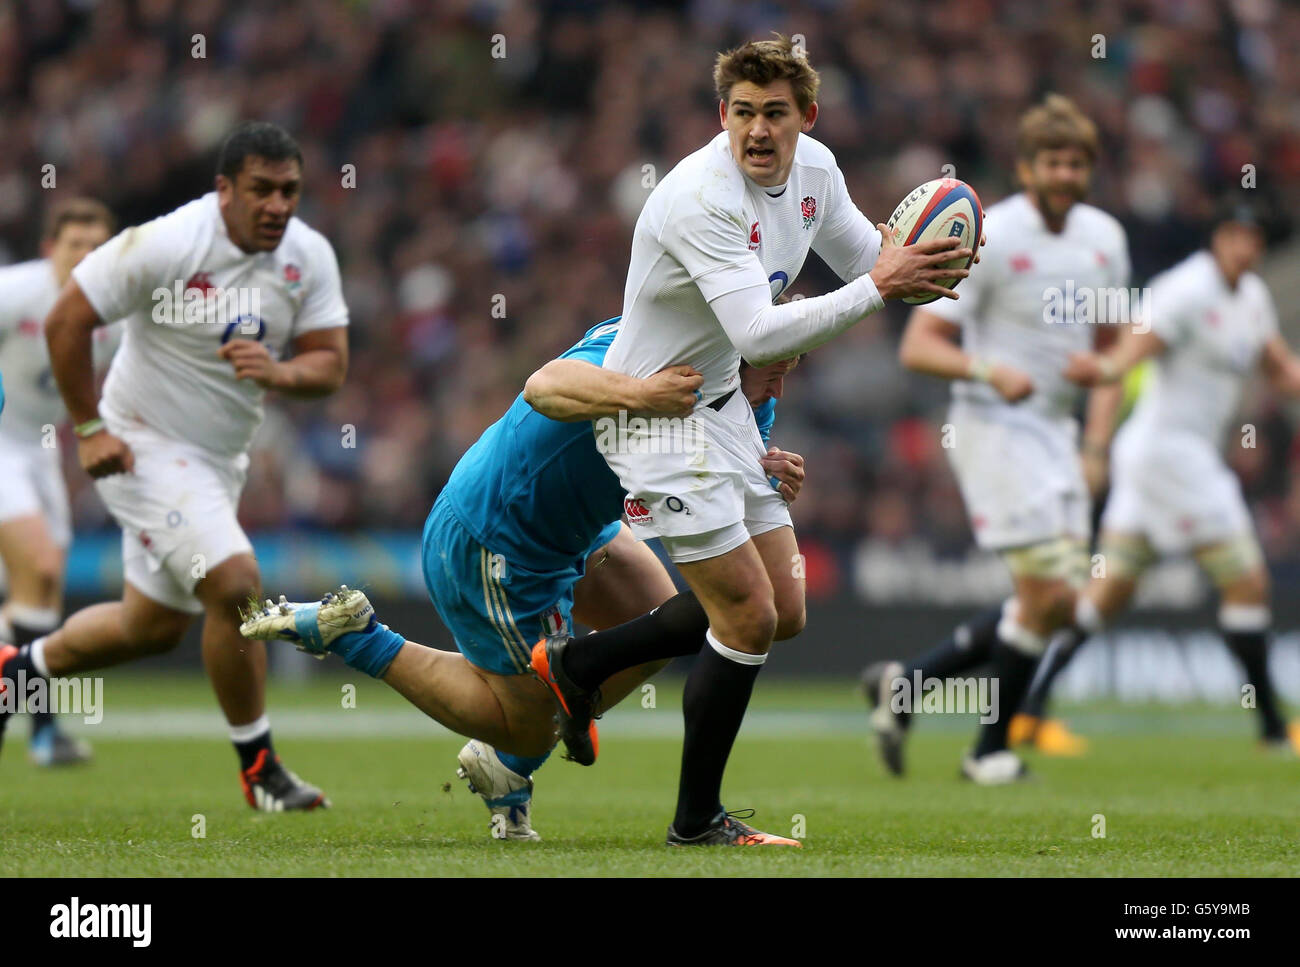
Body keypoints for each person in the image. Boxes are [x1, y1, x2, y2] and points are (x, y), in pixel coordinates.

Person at [558, 35, 970, 844]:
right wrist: (881, 285)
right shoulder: (702, 197)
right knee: (743, 616)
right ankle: (696, 820)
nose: (756, 129)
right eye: (741, 112)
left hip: (722, 411)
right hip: (655, 416)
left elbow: (869, 259)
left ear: (805, 117)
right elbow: (756, 331)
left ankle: (580, 666)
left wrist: (936, 263)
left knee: (783, 608)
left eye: (774, 114)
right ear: (722, 115)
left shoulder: (815, 170)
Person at [240, 318, 805, 840]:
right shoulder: (652, 345)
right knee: (531, 728)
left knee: (657, 622)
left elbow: (691, 482)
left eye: (788, 371)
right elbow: (546, 383)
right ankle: (361, 638)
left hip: (583, 531)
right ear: (735, 342)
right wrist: (640, 394)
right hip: (499, 537)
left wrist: (758, 477)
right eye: (771, 370)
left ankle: (560, 702)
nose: (775, 391)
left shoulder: (750, 402)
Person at [0, 122, 348, 812]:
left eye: (289, 190)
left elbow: (330, 363)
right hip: (141, 443)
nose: (277, 205)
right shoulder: (166, 243)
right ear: (224, 191)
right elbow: (69, 319)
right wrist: (91, 428)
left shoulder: (308, 256)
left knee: (149, 627)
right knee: (237, 580)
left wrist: (280, 371)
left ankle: (16, 672)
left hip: (220, 460)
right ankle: (261, 771)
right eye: (261, 190)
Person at [866, 94, 1130, 783]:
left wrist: (1098, 442)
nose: (1066, 174)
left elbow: (1111, 350)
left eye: (1077, 163)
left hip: (1060, 433)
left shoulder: (1105, 238)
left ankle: (910, 684)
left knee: (1061, 604)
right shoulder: (994, 235)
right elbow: (919, 345)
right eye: (1053, 161)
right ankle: (989, 753)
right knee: (1046, 595)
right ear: (1025, 166)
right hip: (992, 424)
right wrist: (990, 368)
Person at [1015, 203, 1300, 753]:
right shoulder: (1185, 291)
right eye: (1235, 234)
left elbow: (1280, 368)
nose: (1245, 246)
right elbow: (1126, 356)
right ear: (1217, 237)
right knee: (1249, 583)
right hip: (1172, 457)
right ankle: (1270, 729)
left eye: (1254, 237)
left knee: (1104, 596)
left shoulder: (1254, 299)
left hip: (1160, 462)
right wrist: (1098, 394)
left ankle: (1029, 711)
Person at [0, 197, 115, 765]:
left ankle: (43, 732)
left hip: (42, 453)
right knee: (40, 568)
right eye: (75, 245)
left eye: (98, 247)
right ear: (50, 250)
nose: (86, 256)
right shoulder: (15, 292)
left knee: (40, 593)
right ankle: (41, 732)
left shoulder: (111, 313)